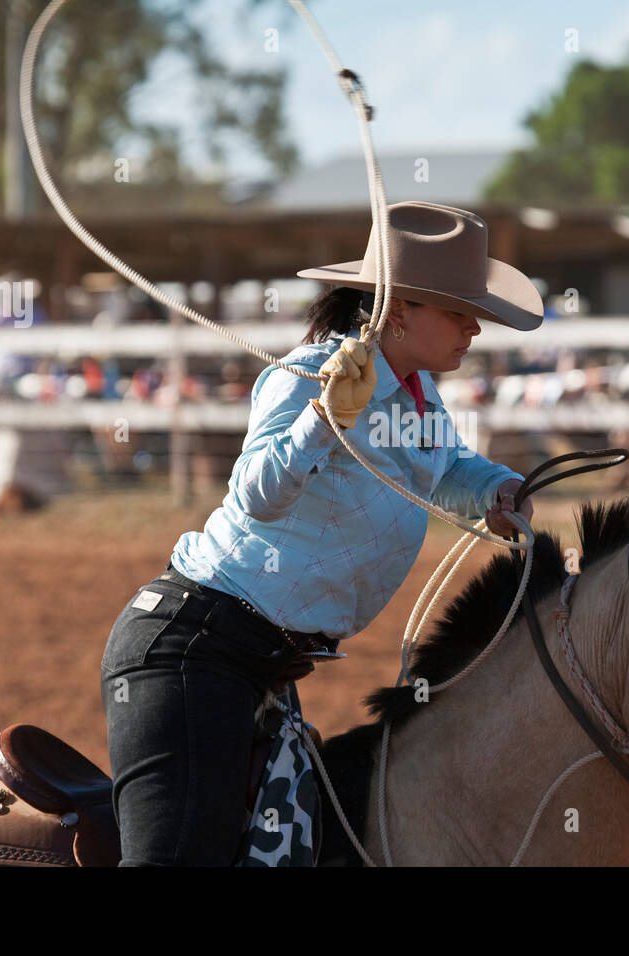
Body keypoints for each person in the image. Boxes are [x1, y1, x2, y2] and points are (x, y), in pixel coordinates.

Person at [100, 201, 545, 865]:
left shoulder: (419, 393)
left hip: (256, 665)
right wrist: (323, 415)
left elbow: (446, 465)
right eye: (458, 312)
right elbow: (257, 494)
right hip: (196, 649)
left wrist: (495, 490)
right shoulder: (312, 373)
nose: (474, 327)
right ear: (399, 311)